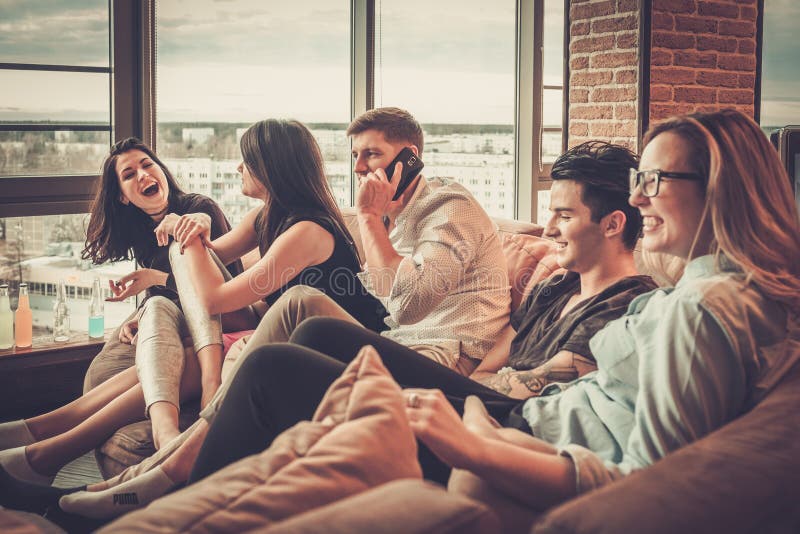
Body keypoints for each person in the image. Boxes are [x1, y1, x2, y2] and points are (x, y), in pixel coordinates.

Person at [57, 140, 659, 518]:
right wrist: (480, 366)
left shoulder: (627, 306)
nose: (548, 229)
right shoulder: (559, 283)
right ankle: (160, 464)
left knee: (278, 353)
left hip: (505, 414)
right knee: (309, 326)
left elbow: (550, 390)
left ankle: (171, 484)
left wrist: (476, 385)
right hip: (481, 382)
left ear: (613, 224)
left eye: (563, 216)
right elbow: (509, 335)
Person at [0, 137, 243, 500]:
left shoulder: (196, 208)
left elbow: (217, 282)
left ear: (162, 171)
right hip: (181, 319)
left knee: (157, 309)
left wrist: (157, 279)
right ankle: (37, 434)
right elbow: (167, 294)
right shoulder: (143, 233)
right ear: (124, 197)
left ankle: (42, 436)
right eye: (129, 174)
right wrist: (141, 310)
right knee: (155, 309)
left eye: (147, 165)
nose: (143, 174)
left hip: (223, 318)